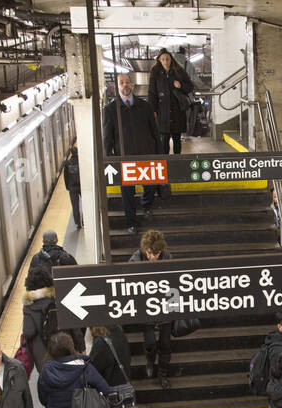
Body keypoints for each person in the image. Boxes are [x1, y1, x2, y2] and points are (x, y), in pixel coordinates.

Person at [103, 73, 162, 232]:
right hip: (125, 159)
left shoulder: (145, 106)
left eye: (127, 82)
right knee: (127, 193)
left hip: (147, 156)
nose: (125, 85)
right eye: (121, 83)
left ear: (132, 84)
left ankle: (147, 205)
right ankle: (131, 223)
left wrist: (159, 154)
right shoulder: (110, 110)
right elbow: (107, 138)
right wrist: (110, 160)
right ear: (117, 87)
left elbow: (155, 132)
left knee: (150, 186)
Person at [128, 230, 177, 385]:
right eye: (149, 253)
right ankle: (150, 360)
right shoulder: (136, 258)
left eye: (156, 254)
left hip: (165, 308)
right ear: (145, 250)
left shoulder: (168, 257)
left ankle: (163, 374)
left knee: (165, 344)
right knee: (150, 342)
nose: (153, 257)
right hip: (146, 308)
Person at [21, 260, 83, 373]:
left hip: (43, 355)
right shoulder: (59, 298)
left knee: (50, 379)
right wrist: (81, 346)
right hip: (64, 347)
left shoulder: (29, 305)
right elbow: (74, 326)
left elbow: (28, 332)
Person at [87, 325, 131, 408]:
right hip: (125, 395)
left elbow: (92, 370)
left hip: (109, 400)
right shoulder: (120, 335)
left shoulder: (101, 343)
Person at [149, 49, 194, 156]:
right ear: (159, 60)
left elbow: (190, 87)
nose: (165, 62)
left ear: (171, 59)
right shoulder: (155, 73)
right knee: (164, 138)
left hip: (177, 110)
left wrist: (181, 85)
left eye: (167, 59)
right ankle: (165, 161)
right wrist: (153, 109)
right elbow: (152, 92)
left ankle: (177, 160)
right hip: (162, 110)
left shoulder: (179, 71)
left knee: (177, 138)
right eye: (163, 59)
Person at [63, 147, 82, 229]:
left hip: (72, 187)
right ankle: (85, 220)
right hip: (81, 186)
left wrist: (67, 187)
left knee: (75, 206)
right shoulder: (81, 161)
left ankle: (78, 223)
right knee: (85, 204)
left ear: (71, 153)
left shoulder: (67, 163)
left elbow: (65, 177)